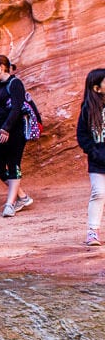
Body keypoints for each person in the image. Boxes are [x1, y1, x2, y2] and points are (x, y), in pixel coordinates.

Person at [0, 55, 34, 217]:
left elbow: (16, 109)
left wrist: (6, 129)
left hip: (14, 132)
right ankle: (22, 196)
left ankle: (10, 204)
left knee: (13, 164)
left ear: (2, 67)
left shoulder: (15, 84)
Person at [76, 68, 105, 246]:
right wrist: (93, 151)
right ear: (96, 88)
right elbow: (82, 135)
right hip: (97, 162)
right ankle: (93, 231)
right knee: (98, 193)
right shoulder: (87, 109)